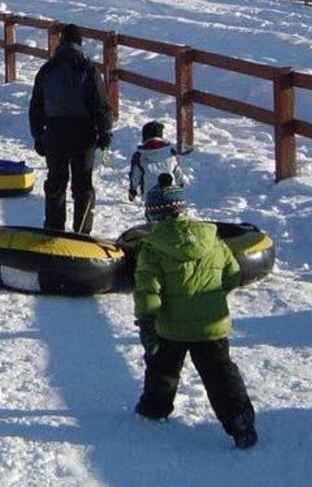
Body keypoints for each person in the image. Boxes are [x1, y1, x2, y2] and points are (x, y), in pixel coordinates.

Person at [133, 174, 258, 450]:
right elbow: (232, 274)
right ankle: (240, 419)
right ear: (183, 209)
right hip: (211, 326)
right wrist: (211, 299)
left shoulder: (152, 247)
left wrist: (147, 321)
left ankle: (155, 407)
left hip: (171, 328)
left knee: (163, 369)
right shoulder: (212, 239)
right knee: (221, 373)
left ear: (152, 216)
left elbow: (147, 291)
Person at [28, 23, 113, 233]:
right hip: (83, 132)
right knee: (83, 184)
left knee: (56, 181)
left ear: (62, 41)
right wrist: (104, 132)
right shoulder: (88, 68)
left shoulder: (48, 69)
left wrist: (38, 135)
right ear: (79, 43)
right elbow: (101, 104)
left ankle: (54, 229)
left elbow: (36, 106)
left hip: (55, 131)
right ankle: (82, 231)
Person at [128, 120, 187, 214]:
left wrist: (133, 190)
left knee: (154, 215)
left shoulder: (139, 156)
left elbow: (135, 175)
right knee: (171, 212)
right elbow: (177, 170)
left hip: (150, 194)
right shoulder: (169, 152)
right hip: (171, 191)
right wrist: (180, 184)